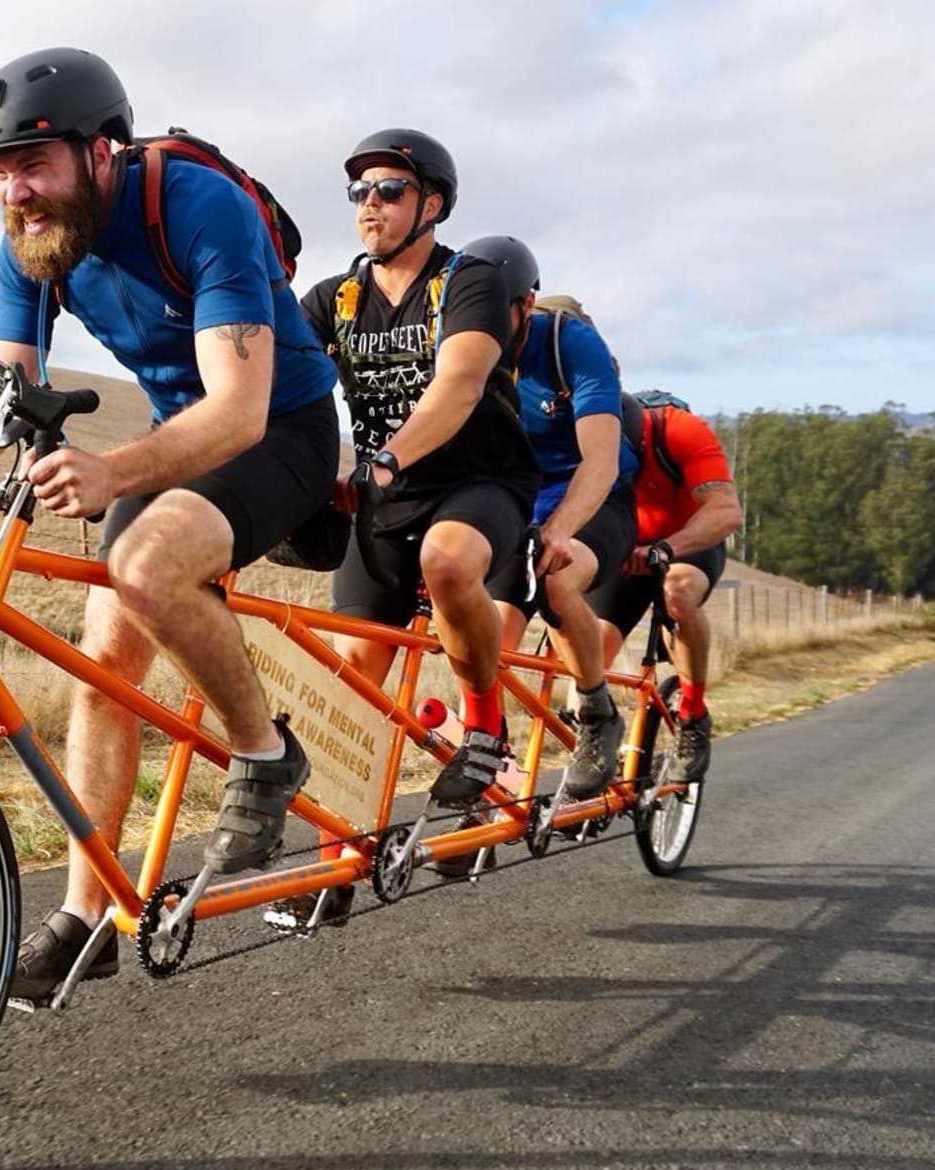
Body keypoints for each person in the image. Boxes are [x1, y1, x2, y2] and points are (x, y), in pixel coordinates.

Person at [0, 48, 340, 1001]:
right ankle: (84, 916)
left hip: (278, 424)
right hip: (176, 432)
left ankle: (264, 753)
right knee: (103, 655)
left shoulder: (198, 208)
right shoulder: (33, 240)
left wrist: (112, 470)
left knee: (147, 566)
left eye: (31, 165)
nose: (14, 191)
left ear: (101, 151)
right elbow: (3, 390)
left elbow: (239, 411)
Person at [285, 130, 540, 906]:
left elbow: (460, 382)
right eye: (359, 192)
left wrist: (388, 455)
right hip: (380, 502)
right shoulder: (334, 298)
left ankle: (484, 730)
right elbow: (281, 381)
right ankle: (337, 859)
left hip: (478, 482)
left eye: (388, 190)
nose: (369, 205)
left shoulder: (470, 280)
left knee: (449, 562)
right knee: (350, 684)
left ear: (430, 203)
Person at [465, 239, 640, 795]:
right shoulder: (467, 346)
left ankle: (595, 713)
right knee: (491, 632)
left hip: (593, 496)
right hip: (517, 499)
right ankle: (493, 760)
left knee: (559, 582)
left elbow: (601, 460)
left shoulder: (570, 344)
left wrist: (560, 529)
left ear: (525, 305)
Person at [586, 402, 742, 783]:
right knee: (592, 644)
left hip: (686, 543)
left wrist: (668, 548)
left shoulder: (681, 430)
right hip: (624, 546)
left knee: (678, 596)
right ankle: (592, 740)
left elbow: (726, 513)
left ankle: (692, 716)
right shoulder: (586, 434)